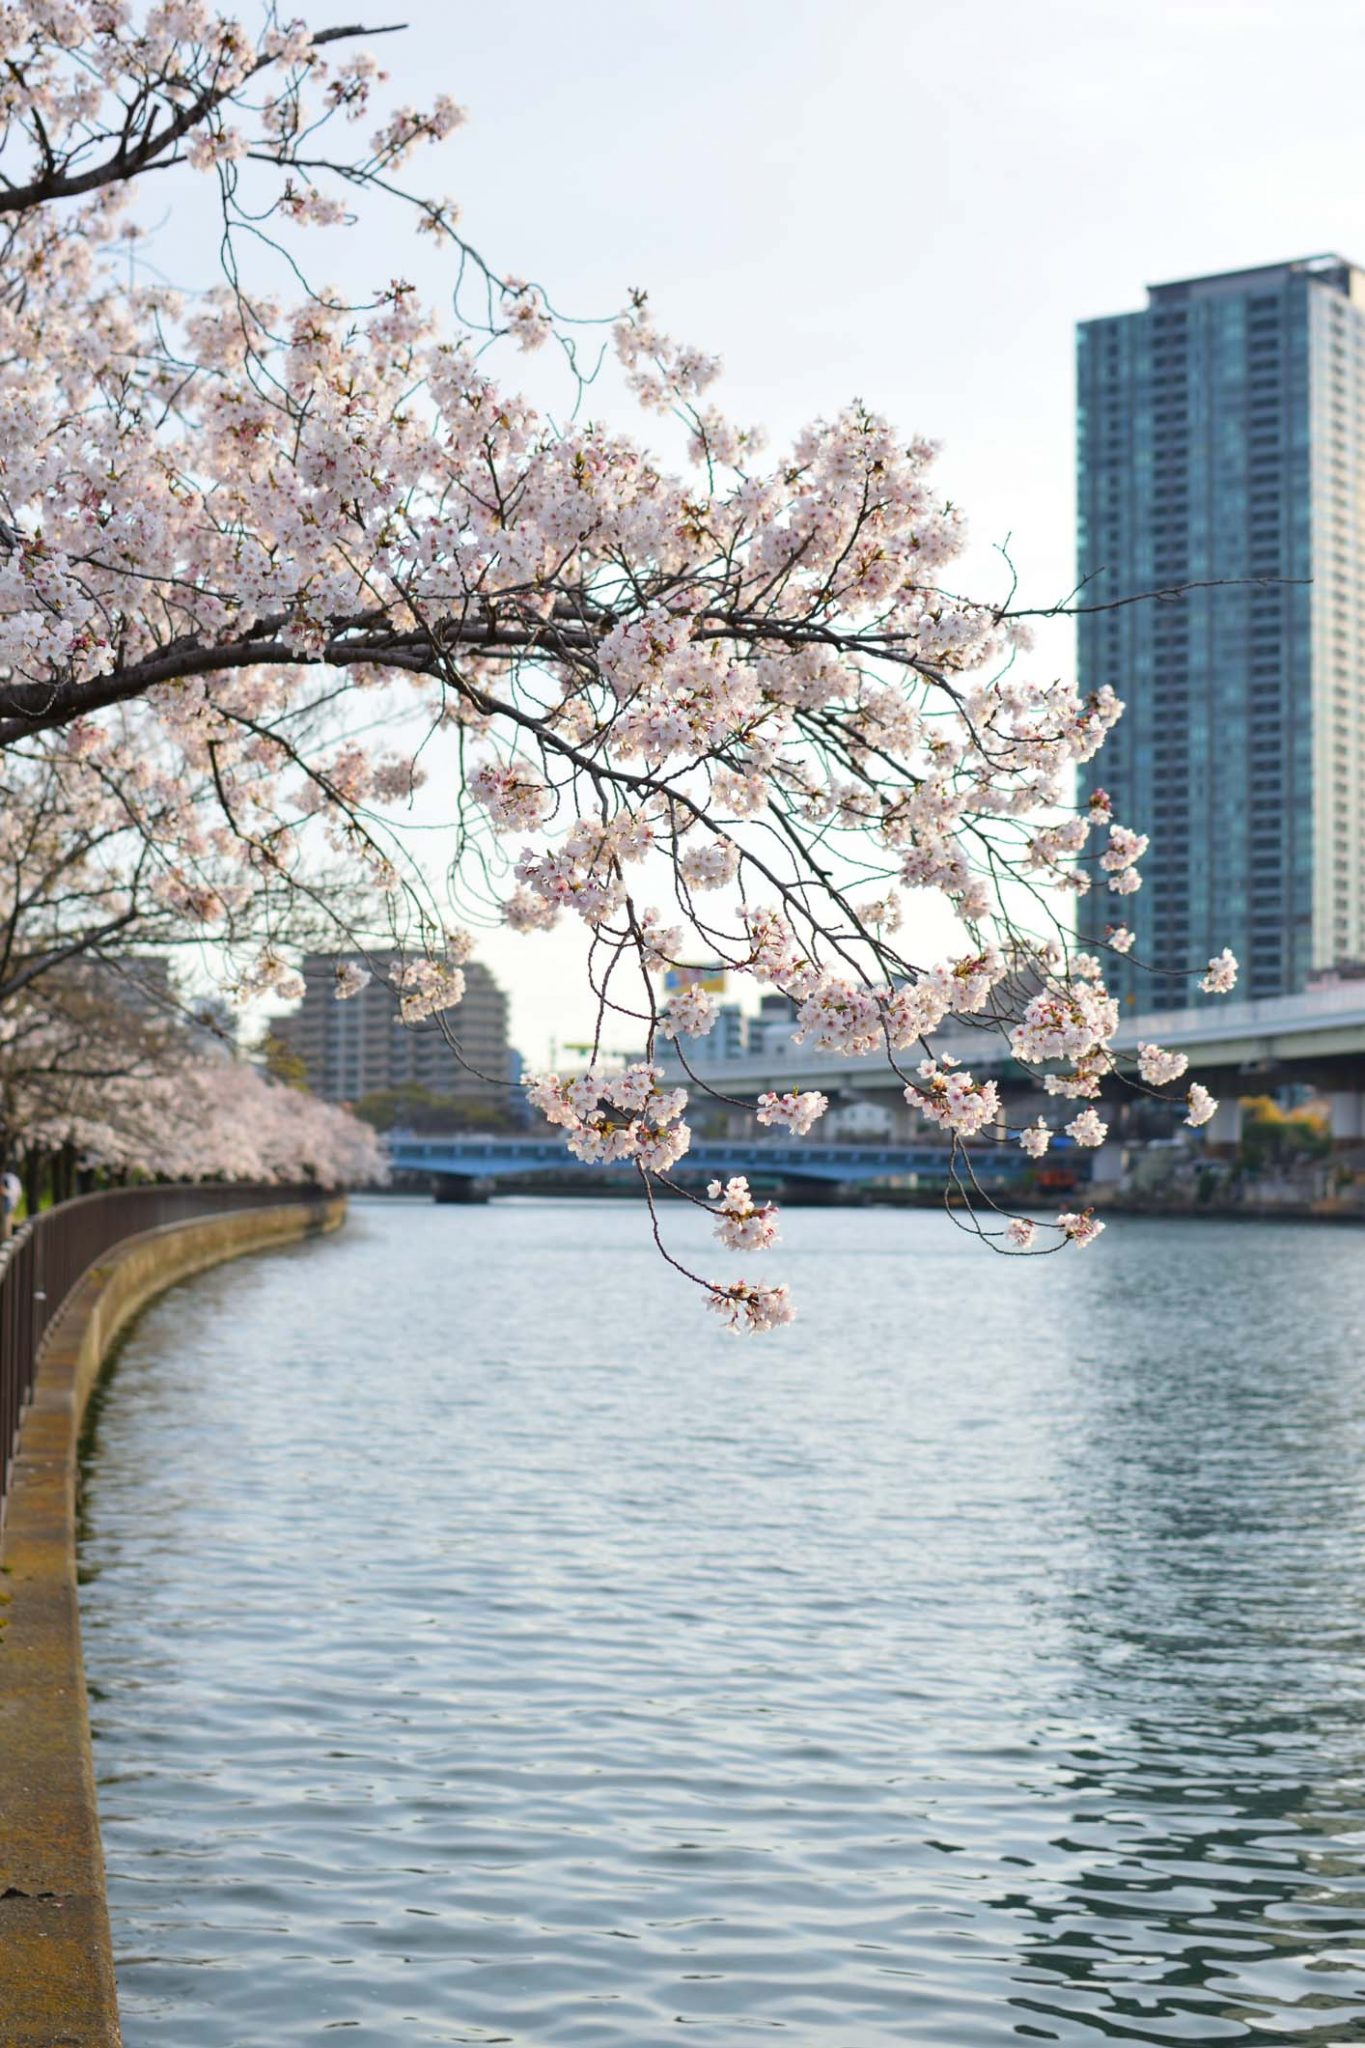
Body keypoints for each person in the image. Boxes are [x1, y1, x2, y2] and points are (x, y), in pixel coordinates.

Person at [1, 1168, 20, 1242]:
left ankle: (6, 1242)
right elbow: (18, 1193)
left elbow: (7, 1191)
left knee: (6, 1226)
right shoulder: (16, 1179)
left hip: (7, 1205)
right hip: (12, 1204)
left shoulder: (6, 1178)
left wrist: (4, 1191)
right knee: (8, 1223)